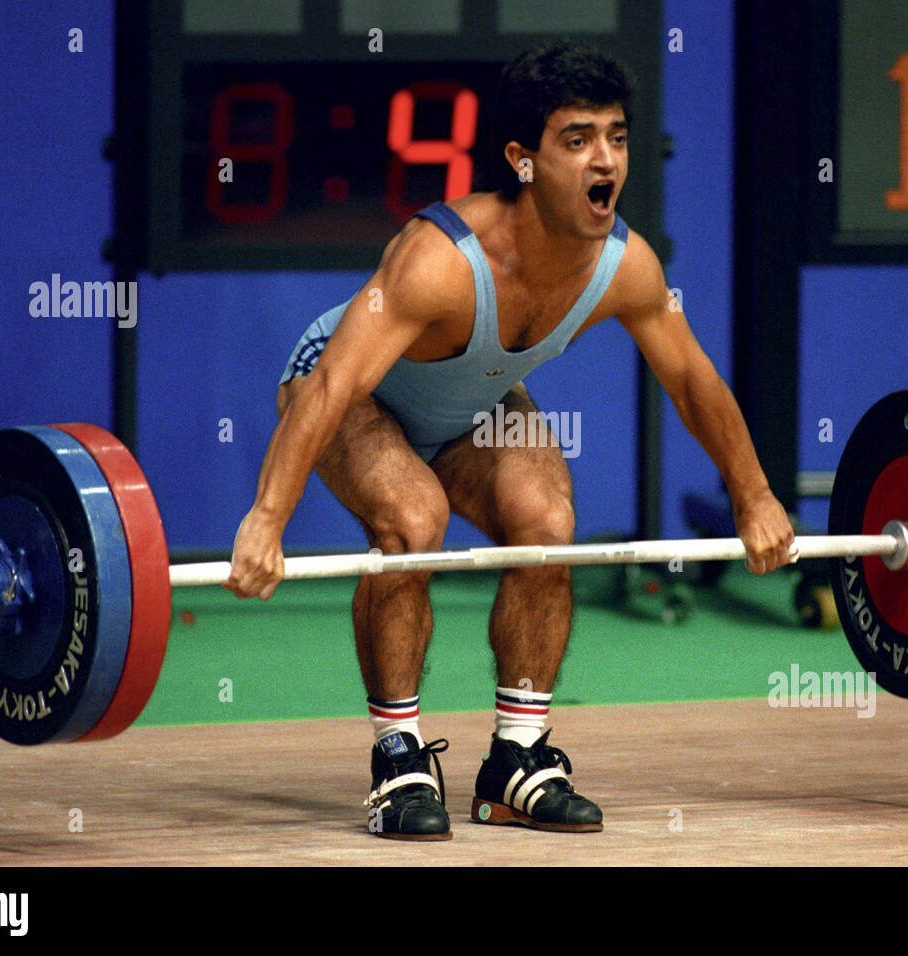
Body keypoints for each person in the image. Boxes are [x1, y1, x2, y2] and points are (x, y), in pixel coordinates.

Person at [224, 40, 794, 841]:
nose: (607, 159)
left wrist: (755, 493)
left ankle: (516, 764)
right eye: (578, 139)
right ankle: (401, 758)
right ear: (523, 162)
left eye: (617, 136)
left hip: (471, 407)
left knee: (546, 521)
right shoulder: (441, 261)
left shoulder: (626, 266)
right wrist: (266, 517)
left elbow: (694, 382)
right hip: (349, 392)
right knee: (412, 521)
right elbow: (333, 387)